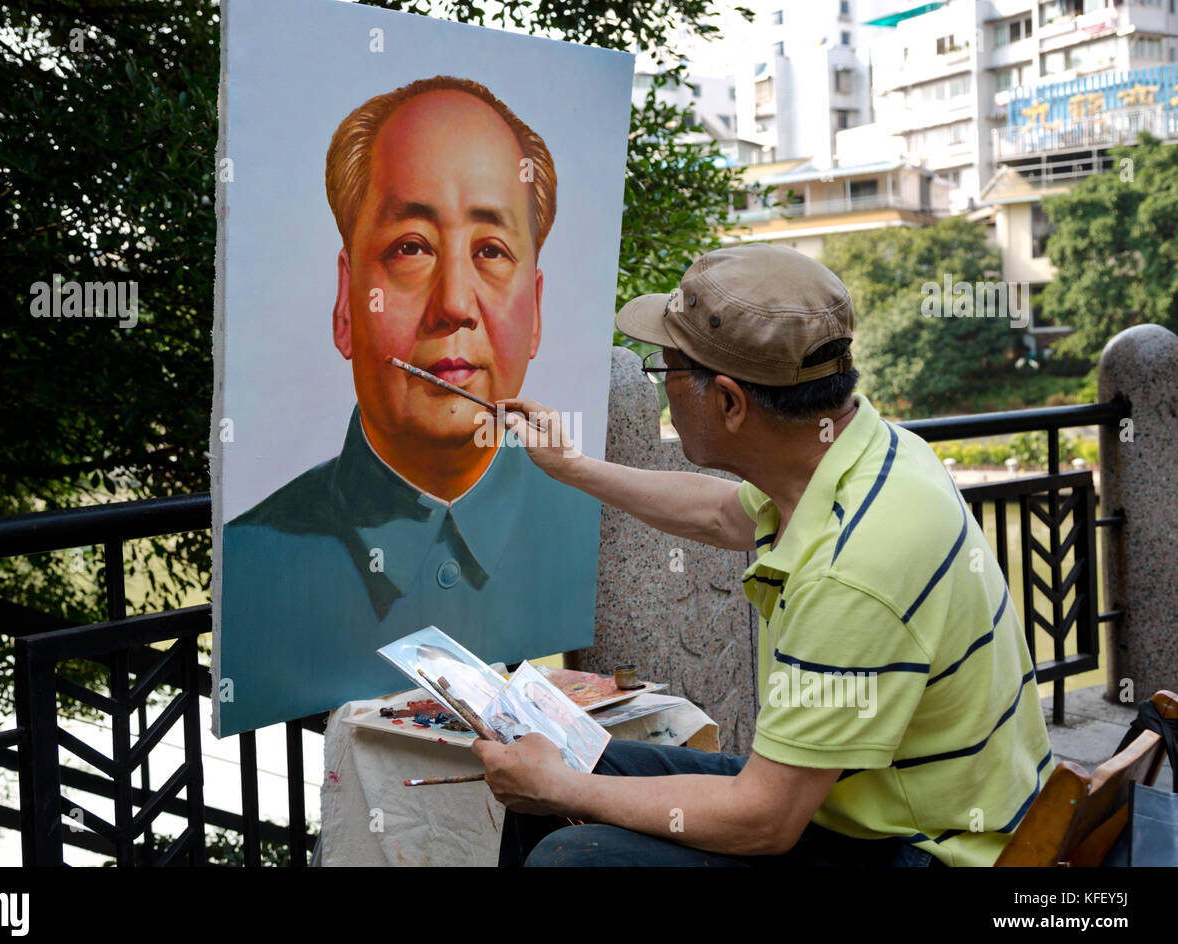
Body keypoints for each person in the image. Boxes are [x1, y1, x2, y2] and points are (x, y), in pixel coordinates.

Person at [474, 244, 1053, 867]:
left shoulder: (853, 570)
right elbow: (722, 513)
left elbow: (765, 820)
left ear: (728, 402)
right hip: (852, 803)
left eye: (663, 368)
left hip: (924, 850)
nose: (663, 387)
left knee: (573, 854)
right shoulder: (867, 454)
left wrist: (560, 790)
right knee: (563, 747)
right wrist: (573, 467)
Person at [216, 76, 599, 735]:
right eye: (412, 248)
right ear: (346, 302)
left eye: (490, 251)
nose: (453, 301)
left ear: (535, 309)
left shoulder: (584, 527)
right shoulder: (253, 564)